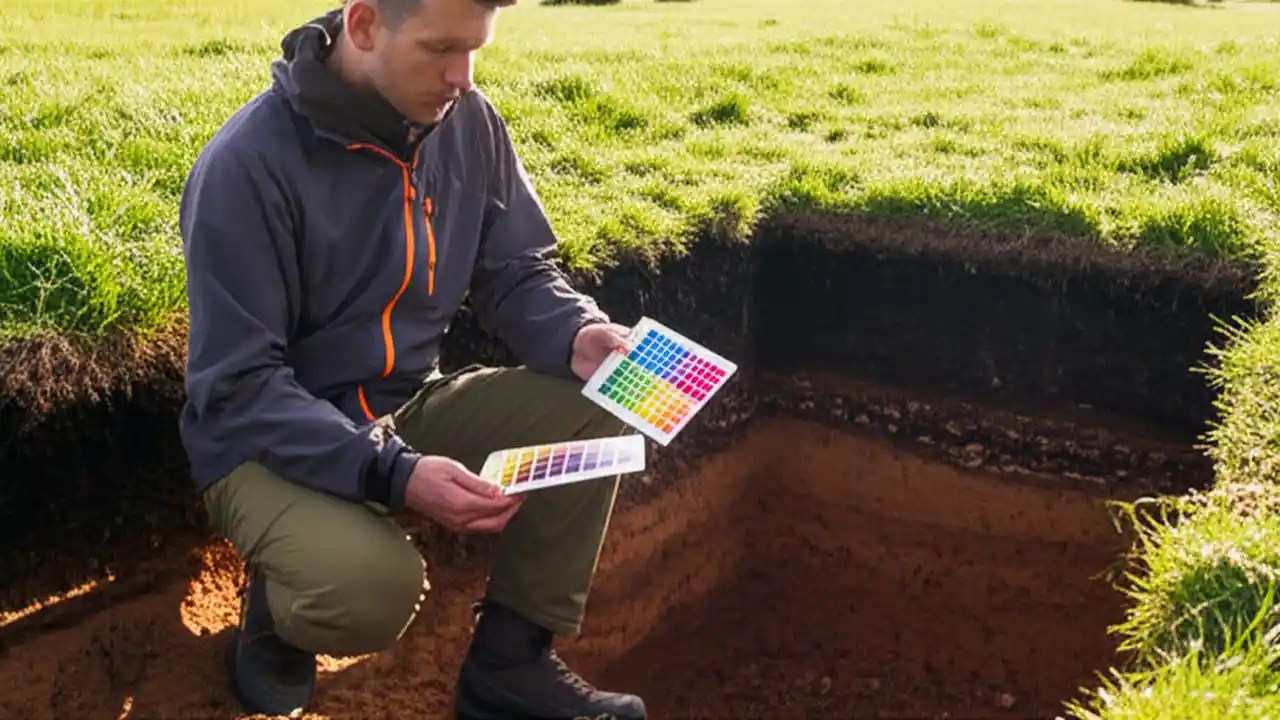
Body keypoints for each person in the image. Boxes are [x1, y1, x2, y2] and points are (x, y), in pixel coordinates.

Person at [177, 0, 648, 718]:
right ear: (365, 26)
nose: (460, 77)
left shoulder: (469, 123)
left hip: (404, 406)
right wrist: (394, 473)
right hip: (263, 446)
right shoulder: (246, 166)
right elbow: (237, 387)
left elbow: (516, 269)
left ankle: (509, 668)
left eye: (474, 51)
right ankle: (278, 606)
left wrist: (577, 333)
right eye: (439, 50)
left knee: (604, 402)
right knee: (373, 590)